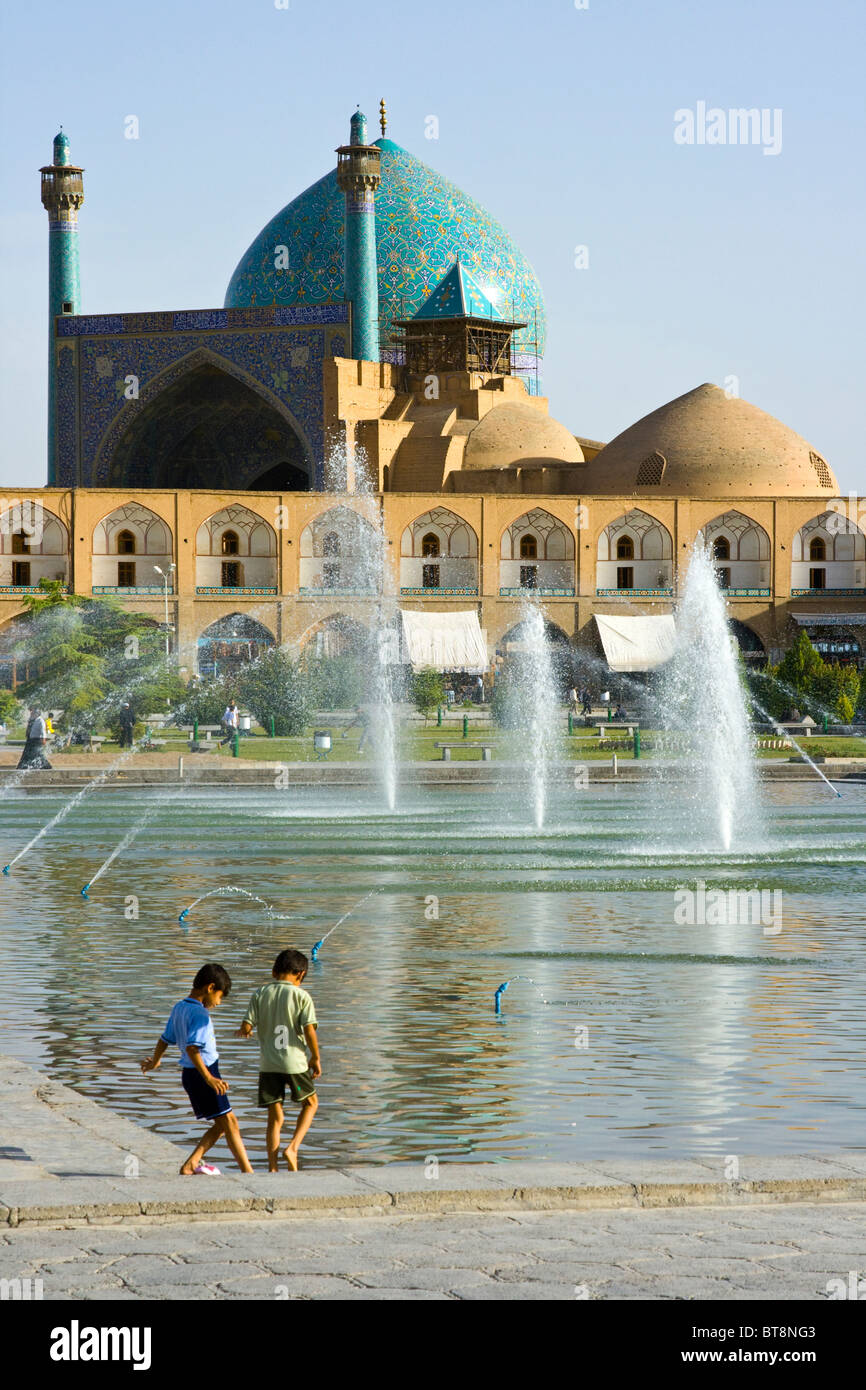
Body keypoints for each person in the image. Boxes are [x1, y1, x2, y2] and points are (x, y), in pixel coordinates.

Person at [141, 962, 253, 1176]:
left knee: (224, 1124)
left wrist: (156, 1061)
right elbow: (193, 1049)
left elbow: (165, 1039)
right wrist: (210, 1078)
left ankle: (192, 1163)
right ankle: (248, 1173)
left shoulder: (180, 1007)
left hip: (192, 1074)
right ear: (210, 988)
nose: (218, 1003)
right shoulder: (201, 1015)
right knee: (229, 1122)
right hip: (203, 1072)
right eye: (219, 997)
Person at [237, 948, 321, 1173]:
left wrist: (244, 1030)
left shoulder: (260, 993)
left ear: (274, 971)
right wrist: (315, 1057)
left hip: (268, 1066)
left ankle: (273, 1168)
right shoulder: (302, 996)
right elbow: (309, 1030)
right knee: (311, 1103)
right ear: (301, 975)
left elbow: (247, 1025)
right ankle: (292, 1148)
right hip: (294, 1066)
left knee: (274, 1118)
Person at [17, 706, 52, 770]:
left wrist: (43, 739)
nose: (31, 714)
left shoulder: (40, 721)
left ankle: (46, 766)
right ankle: (24, 766)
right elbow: (29, 728)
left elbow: (43, 731)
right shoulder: (33, 720)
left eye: (33, 713)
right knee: (29, 753)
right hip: (31, 739)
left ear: (37, 714)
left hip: (37, 740)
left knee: (37, 753)